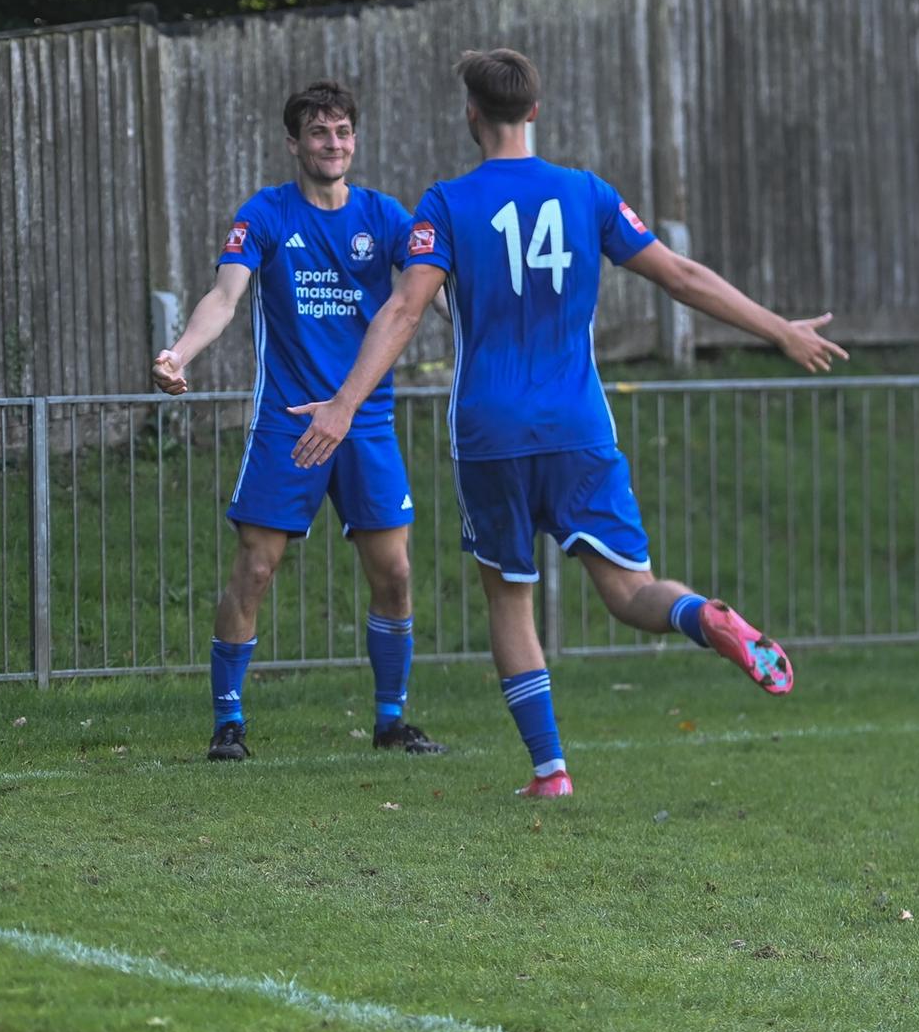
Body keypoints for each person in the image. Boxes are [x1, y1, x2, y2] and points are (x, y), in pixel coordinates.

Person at [288, 48, 845, 797]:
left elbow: (403, 308)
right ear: (536, 113)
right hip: (579, 425)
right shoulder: (587, 194)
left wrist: (344, 402)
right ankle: (698, 614)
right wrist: (778, 328)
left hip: (492, 432)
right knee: (629, 591)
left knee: (509, 597)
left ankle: (550, 770)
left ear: (472, 118)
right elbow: (682, 275)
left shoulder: (446, 204)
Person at [153, 80, 446, 762]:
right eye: (320, 133)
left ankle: (391, 720)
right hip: (289, 422)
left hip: (365, 422)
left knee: (395, 573)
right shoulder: (264, 214)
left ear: (355, 138)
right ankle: (229, 722)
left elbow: (426, 294)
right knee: (255, 568)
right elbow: (225, 298)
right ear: (294, 142)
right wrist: (178, 352)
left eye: (343, 131)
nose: (333, 144)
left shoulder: (386, 217)